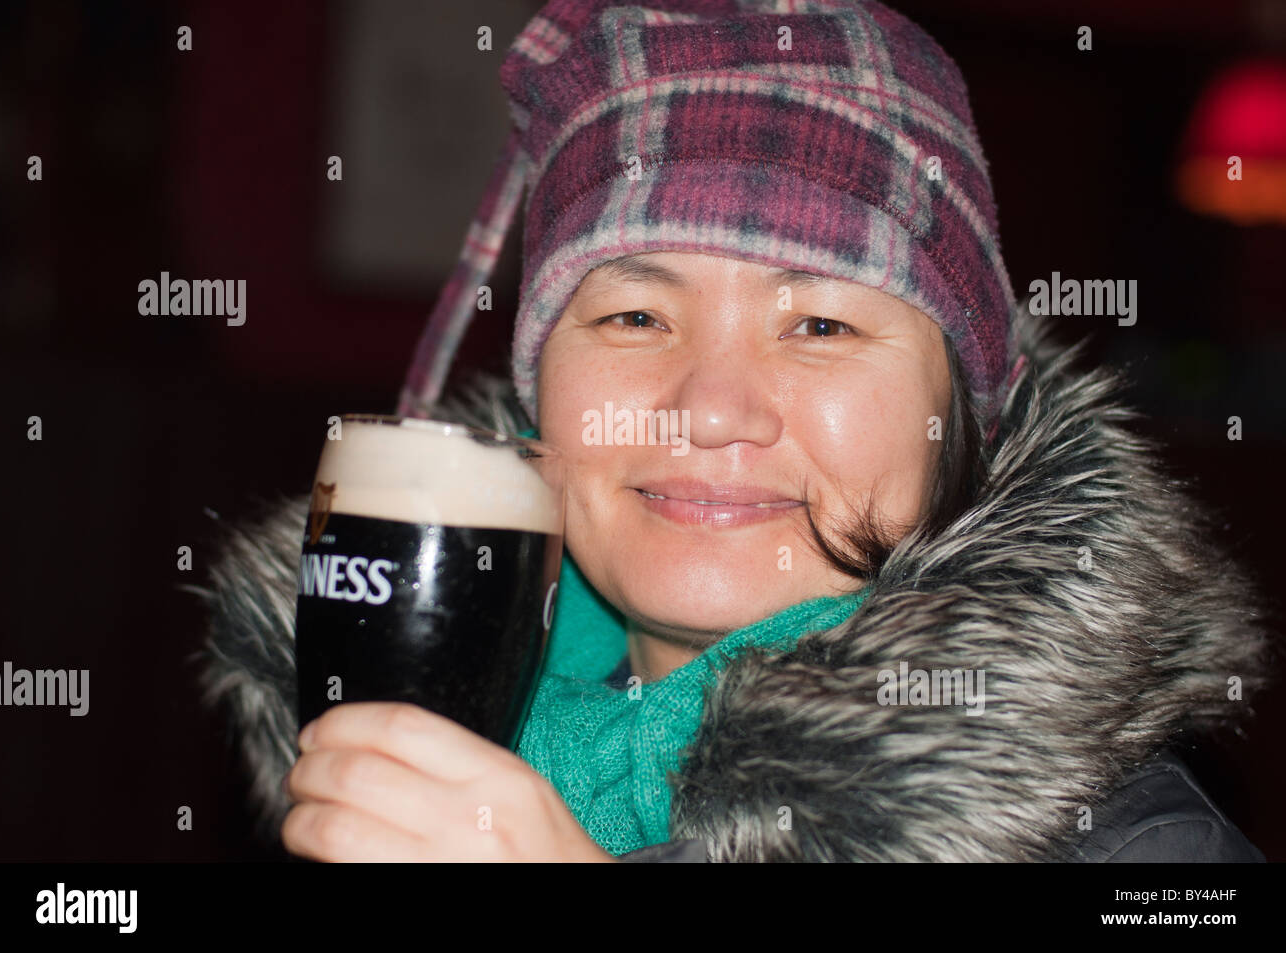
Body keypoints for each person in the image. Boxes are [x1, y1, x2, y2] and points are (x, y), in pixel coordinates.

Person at [195, 0, 1272, 861]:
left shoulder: (1145, 848)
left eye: (818, 321)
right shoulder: (373, 760)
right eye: (632, 314)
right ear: (537, 399)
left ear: (960, 421)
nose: (709, 406)